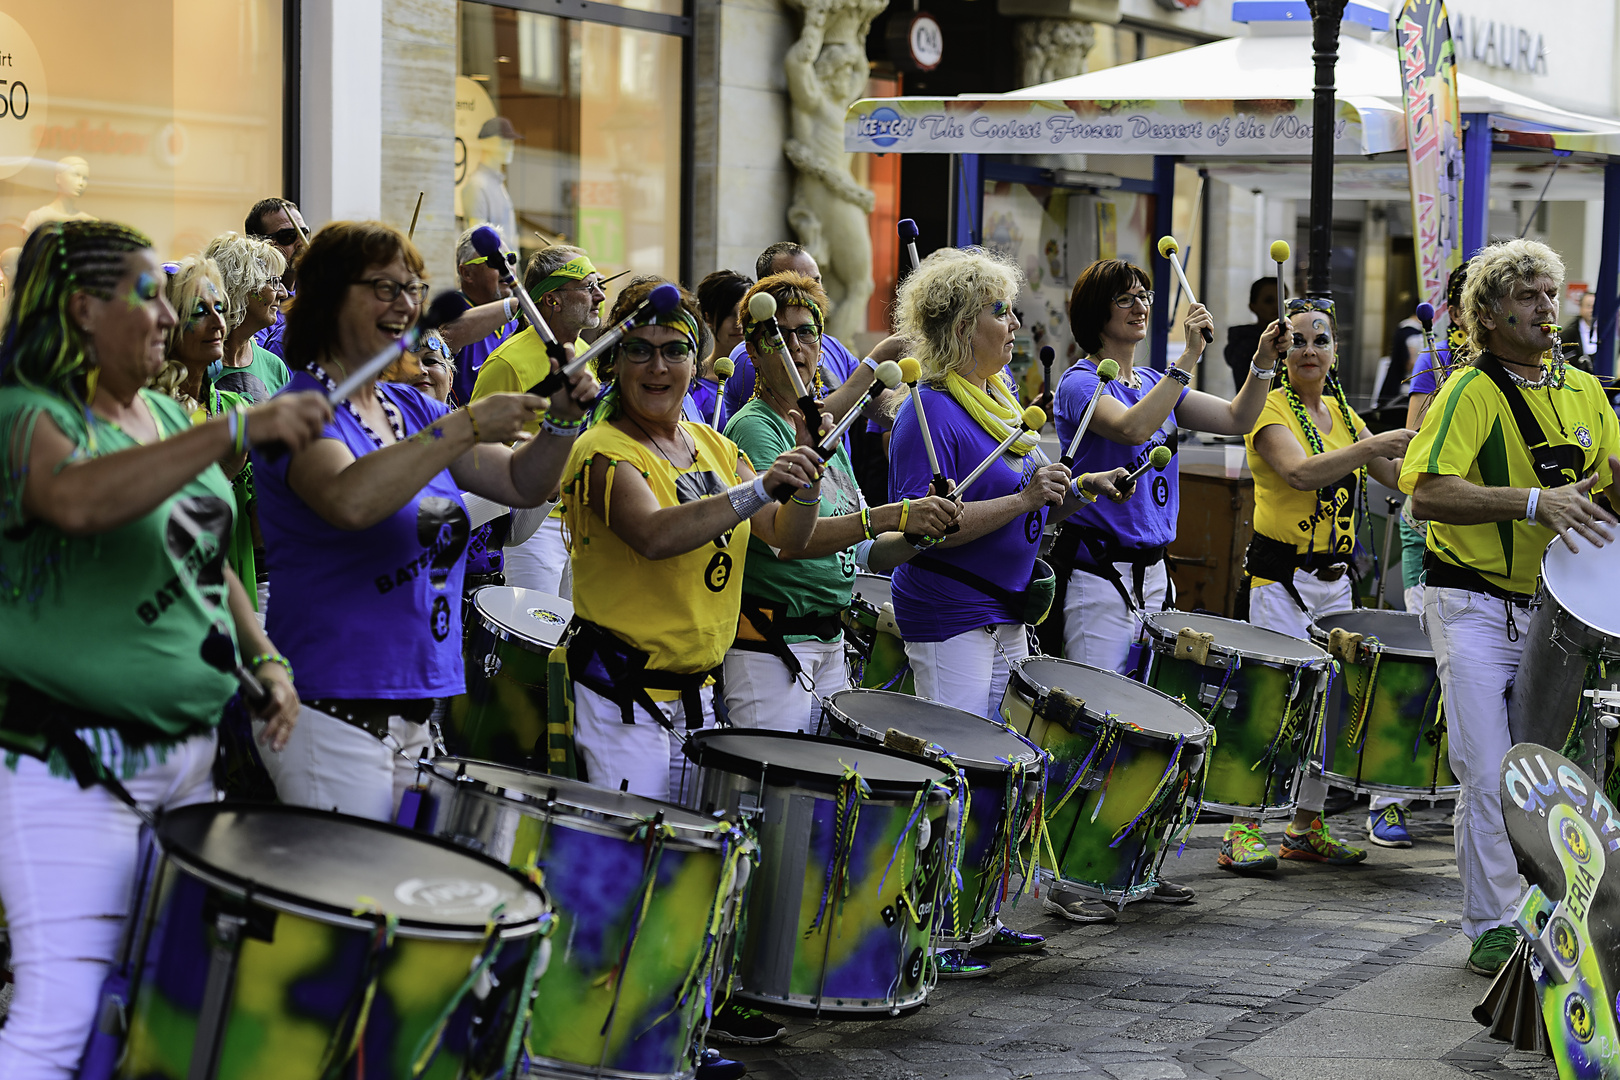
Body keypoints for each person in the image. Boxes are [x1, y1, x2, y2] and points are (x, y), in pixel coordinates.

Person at [0, 219, 327, 1079]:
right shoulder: (24, 415)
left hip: (184, 759)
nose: (167, 315)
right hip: (71, 763)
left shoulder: (158, 413)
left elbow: (203, 557)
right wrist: (233, 431)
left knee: (159, 998)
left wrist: (263, 659)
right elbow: (77, 502)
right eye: (146, 295)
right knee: (61, 1011)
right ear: (80, 310)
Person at [248, 221, 596, 823]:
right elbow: (349, 501)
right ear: (330, 297)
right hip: (331, 710)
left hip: (417, 711)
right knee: (352, 904)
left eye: (412, 288)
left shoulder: (410, 405)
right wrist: (464, 424)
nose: (406, 303)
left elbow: (519, 482)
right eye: (384, 288)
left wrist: (564, 421)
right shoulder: (295, 409)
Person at [886, 248, 1130, 924]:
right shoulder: (928, 414)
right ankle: (936, 925)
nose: (1016, 322)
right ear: (964, 325)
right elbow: (919, 530)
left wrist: (1079, 491)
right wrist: (1027, 501)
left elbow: (1035, 495)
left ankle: (982, 917)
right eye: (1001, 310)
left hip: (1006, 613)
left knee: (1010, 767)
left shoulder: (999, 402)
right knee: (961, 767)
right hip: (951, 611)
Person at [1401, 238, 1620, 977]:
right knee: (1490, 770)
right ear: (1486, 317)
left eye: (1550, 295)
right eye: (1528, 297)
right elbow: (1426, 492)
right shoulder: (1470, 391)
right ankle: (1492, 923)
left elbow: (1609, 487)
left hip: (1555, 614)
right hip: (1468, 602)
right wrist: (1534, 500)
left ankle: (1546, 909)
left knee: (1548, 772)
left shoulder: (1586, 391)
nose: (1546, 309)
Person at [559, 276, 826, 803]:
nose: (658, 367)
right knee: (633, 864)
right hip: (622, 701)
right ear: (614, 363)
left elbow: (787, 536)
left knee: (692, 872)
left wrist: (807, 475)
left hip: (701, 697)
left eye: (675, 350)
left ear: (695, 360)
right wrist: (761, 487)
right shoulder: (601, 450)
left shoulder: (715, 446)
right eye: (640, 350)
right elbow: (654, 535)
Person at [1232, 297, 1413, 873]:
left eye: (1322, 340)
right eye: (1300, 341)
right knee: (1272, 701)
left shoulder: (1344, 414)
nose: (1310, 350)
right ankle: (1242, 829)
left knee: (1330, 705)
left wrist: (1432, 434)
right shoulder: (1268, 408)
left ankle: (1305, 827)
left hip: (1335, 582)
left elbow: (1397, 476)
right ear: (1283, 351)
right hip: (1279, 578)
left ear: (1335, 353)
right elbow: (1299, 472)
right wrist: (1372, 445)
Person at [1054, 259, 1273, 677]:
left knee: (1145, 701)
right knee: (1094, 703)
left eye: (1144, 296)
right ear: (1096, 310)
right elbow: (1132, 428)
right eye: (1125, 298)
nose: (1139, 307)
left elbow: (1236, 419)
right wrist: (1190, 355)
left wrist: (1262, 361)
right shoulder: (1081, 382)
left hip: (1156, 573)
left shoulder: (1158, 380)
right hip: (1098, 572)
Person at [472, 245, 607, 597]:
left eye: (600, 284)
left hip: (582, 524)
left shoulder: (582, 356)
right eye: (589, 285)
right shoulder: (507, 362)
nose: (600, 295)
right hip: (531, 529)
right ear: (552, 300)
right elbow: (477, 460)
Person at [152, 256, 264, 609]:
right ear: (167, 323)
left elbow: (262, 521)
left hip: (235, 590)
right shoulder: (146, 412)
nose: (218, 323)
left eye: (220, 309)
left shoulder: (234, 408)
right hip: (170, 596)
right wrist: (227, 471)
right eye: (199, 311)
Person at [205, 232, 291, 401]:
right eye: (274, 281)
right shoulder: (196, 363)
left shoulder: (274, 366)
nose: (283, 293)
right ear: (240, 287)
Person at [439, 227, 520, 404]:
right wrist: (516, 304)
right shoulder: (448, 311)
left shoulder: (516, 318)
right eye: (495, 261)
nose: (507, 268)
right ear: (467, 273)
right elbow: (449, 333)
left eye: (510, 259)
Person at [244, 197, 308, 359]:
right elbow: (266, 366)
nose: (301, 243)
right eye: (288, 236)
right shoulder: (253, 303)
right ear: (259, 245)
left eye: (304, 233)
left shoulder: (312, 292)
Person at [692, 269, 752, 429]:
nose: (739, 324)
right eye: (730, 314)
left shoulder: (767, 378)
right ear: (708, 317)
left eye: (745, 314)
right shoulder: (694, 384)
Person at [1223, 276, 1279, 395]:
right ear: (1253, 306)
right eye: (1269, 301)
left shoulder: (1292, 339)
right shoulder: (1244, 344)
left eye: (1282, 300)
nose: (1277, 306)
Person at [1561, 289, 1597, 369]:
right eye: (1588, 306)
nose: (1592, 310)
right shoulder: (1568, 334)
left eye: (1595, 306)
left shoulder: (1608, 331)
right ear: (1580, 308)